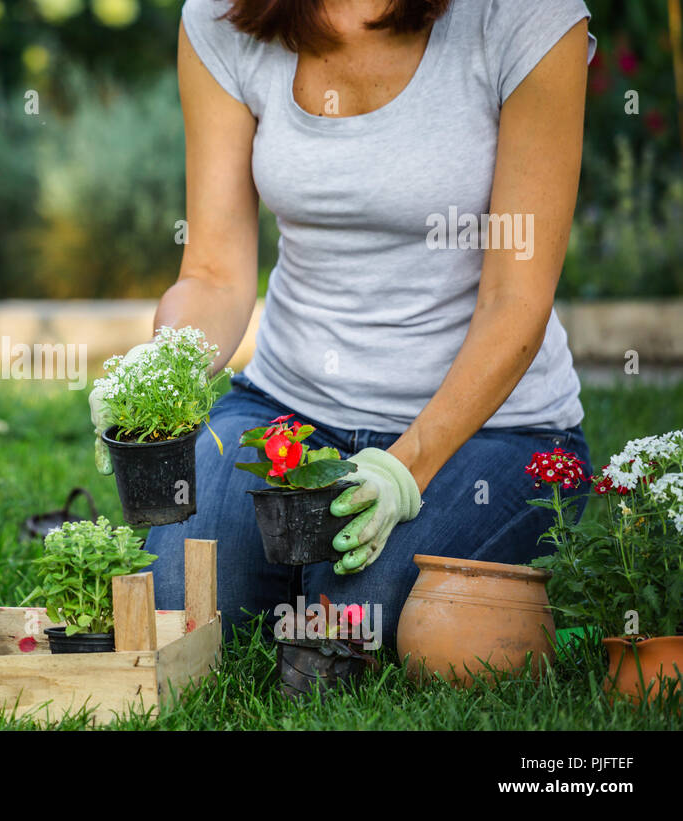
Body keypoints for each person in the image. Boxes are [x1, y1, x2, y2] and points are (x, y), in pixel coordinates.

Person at [90, 0, 596, 649]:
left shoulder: (524, 15)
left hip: (492, 430)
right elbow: (215, 274)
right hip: (286, 409)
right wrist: (160, 371)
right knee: (179, 599)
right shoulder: (224, 17)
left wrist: (401, 471)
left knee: (354, 614)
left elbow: (514, 302)